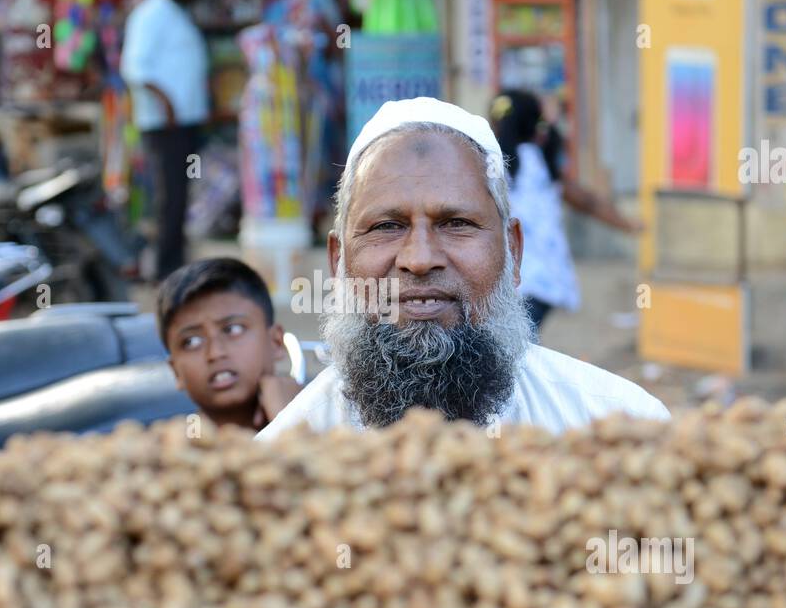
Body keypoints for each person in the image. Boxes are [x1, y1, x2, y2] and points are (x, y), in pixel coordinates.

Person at [255, 97, 668, 439]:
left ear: (513, 252)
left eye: (456, 224)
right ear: (338, 262)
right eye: (386, 227)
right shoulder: (285, 460)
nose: (418, 260)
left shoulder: (618, 428)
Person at [489, 89, 643, 335]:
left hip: (521, 281)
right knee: (519, 348)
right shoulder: (541, 162)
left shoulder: (494, 167)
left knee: (514, 352)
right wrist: (629, 224)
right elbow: (588, 202)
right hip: (544, 280)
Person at [121, 0, 209, 280]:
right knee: (169, 195)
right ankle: (164, 267)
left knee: (179, 194)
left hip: (182, 120)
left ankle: (173, 260)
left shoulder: (171, 11)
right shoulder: (149, 14)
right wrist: (167, 103)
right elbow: (136, 68)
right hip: (165, 123)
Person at [254, 0, 345, 228]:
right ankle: (305, 215)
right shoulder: (272, 6)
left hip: (317, 90)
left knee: (322, 148)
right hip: (283, 96)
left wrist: (318, 61)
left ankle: (333, 215)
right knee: (295, 152)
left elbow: (338, 38)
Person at [157, 257, 303, 430]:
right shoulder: (173, 449)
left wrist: (290, 418)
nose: (215, 353)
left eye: (233, 330)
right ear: (175, 371)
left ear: (276, 342)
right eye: (192, 342)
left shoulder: (327, 421)